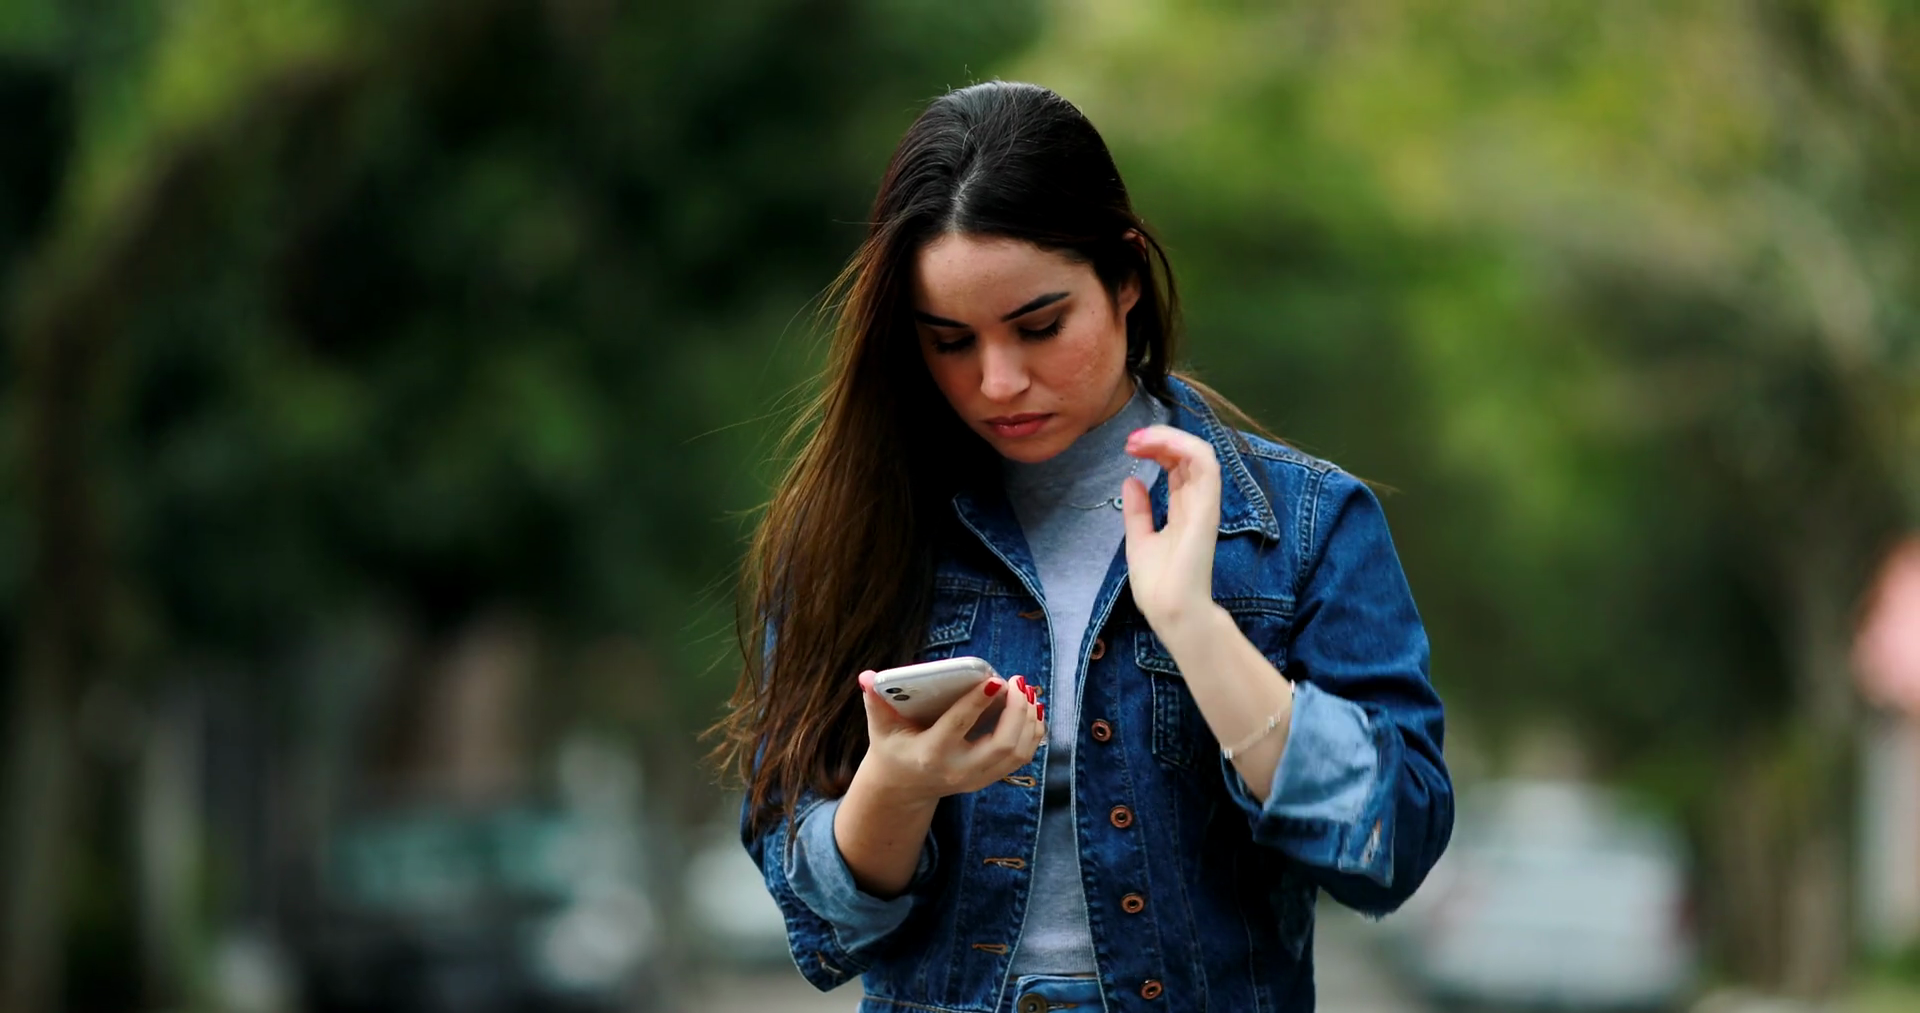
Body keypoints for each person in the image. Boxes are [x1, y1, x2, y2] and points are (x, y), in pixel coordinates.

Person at [711, 80, 1452, 1013]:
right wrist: (896, 787)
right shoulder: (860, 528)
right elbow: (816, 925)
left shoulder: (1301, 522)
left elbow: (1393, 844)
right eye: (949, 341)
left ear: (1126, 275)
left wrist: (1197, 627)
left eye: (1039, 325)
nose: (998, 381)